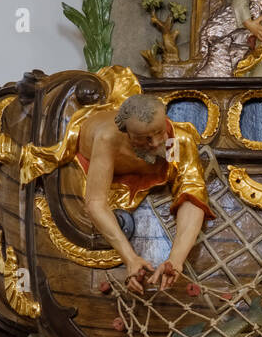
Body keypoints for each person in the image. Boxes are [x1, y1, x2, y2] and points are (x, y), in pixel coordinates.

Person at [75, 94, 215, 293]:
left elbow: (192, 192)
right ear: (127, 135)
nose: (156, 142)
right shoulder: (109, 139)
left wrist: (175, 260)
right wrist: (130, 259)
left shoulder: (173, 140)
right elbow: (96, 203)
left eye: (159, 131)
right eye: (144, 139)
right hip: (98, 161)